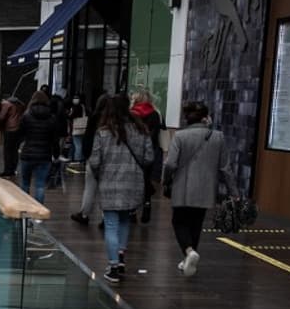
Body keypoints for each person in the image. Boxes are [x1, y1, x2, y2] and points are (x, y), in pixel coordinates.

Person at [163, 101, 238, 278]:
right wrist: (233, 192)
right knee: (196, 224)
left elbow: (171, 163)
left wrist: (166, 180)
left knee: (179, 222)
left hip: (183, 187)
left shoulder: (180, 136)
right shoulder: (218, 137)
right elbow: (225, 168)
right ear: (206, 118)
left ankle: (189, 252)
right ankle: (188, 259)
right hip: (206, 188)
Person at [87, 94, 154, 283]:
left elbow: (95, 161)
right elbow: (149, 158)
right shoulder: (141, 130)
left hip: (109, 182)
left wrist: (100, 174)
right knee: (125, 221)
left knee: (111, 224)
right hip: (133, 183)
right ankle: (121, 257)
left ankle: (113, 266)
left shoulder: (103, 132)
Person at [16, 90, 66, 204]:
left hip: (27, 154)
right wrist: (56, 154)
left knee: (25, 183)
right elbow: (55, 139)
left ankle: (24, 208)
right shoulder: (52, 118)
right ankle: (38, 210)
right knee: (40, 185)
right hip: (45, 155)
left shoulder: (26, 116)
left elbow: (20, 133)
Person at [72, 93, 110, 226]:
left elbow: (88, 138)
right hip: (110, 159)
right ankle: (106, 217)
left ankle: (84, 213)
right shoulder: (114, 119)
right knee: (106, 189)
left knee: (89, 188)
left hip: (94, 156)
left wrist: (87, 155)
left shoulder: (94, 117)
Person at [130, 91, 164, 224]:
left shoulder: (132, 113)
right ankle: (147, 205)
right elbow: (155, 134)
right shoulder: (155, 114)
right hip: (149, 151)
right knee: (145, 179)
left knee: (133, 182)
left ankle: (132, 211)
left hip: (133, 152)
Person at [0, 96, 25, 177]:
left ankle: (7, 171)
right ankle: (13, 169)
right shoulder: (20, 105)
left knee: (7, 151)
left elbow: (2, 117)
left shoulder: (7, 104)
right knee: (15, 150)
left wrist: (0, 127)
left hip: (9, 129)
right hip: (19, 129)